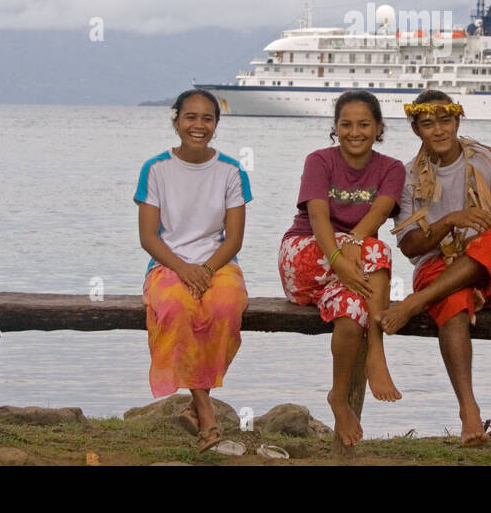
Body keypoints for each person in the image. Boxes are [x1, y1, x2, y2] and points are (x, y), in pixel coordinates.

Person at [379, 90, 491, 446]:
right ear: (416, 129)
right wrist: (450, 222)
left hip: (486, 271)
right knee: (454, 301)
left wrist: (474, 246)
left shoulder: (489, 163)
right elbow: (409, 245)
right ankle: (469, 410)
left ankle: (414, 302)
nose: (438, 130)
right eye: (427, 123)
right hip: (435, 268)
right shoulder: (409, 176)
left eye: (445, 121)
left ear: (458, 121)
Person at [278, 90, 405, 446]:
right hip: (306, 256)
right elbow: (318, 217)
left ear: (379, 128)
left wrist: (351, 248)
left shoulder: (391, 168)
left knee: (352, 315)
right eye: (346, 124)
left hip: (355, 264)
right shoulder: (318, 160)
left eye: (364, 124)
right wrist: (337, 259)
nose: (355, 132)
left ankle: (338, 396)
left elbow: (379, 213)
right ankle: (377, 353)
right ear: (335, 127)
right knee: (378, 250)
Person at [135, 89, 251, 452]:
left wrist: (205, 269)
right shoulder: (155, 169)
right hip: (168, 265)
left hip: (219, 265)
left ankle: (193, 405)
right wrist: (184, 269)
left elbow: (233, 239)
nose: (198, 125)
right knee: (176, 308)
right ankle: (206, 411)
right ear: (176, 121)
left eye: (207, 118)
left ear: (216, 125)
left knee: (224, 309)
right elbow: (148, 237)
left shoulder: (231, 171)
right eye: (190, 117)